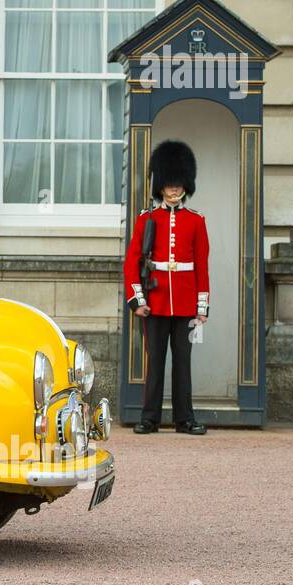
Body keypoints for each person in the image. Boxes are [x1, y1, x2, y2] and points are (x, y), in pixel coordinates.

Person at [123, 140, 210, 435]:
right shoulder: (147, 219)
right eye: (168, 184)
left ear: (185, 185)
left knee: (183, 363)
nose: (173, 189)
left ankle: (185, 419)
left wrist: (202, 308)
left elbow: (201, 265)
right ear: (160, 186)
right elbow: (132, 262)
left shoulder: (196, 221)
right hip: (156, 300)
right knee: (155, 362)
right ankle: (150, 418)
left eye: (178, 184)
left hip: (185, 303)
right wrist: (138, 299)